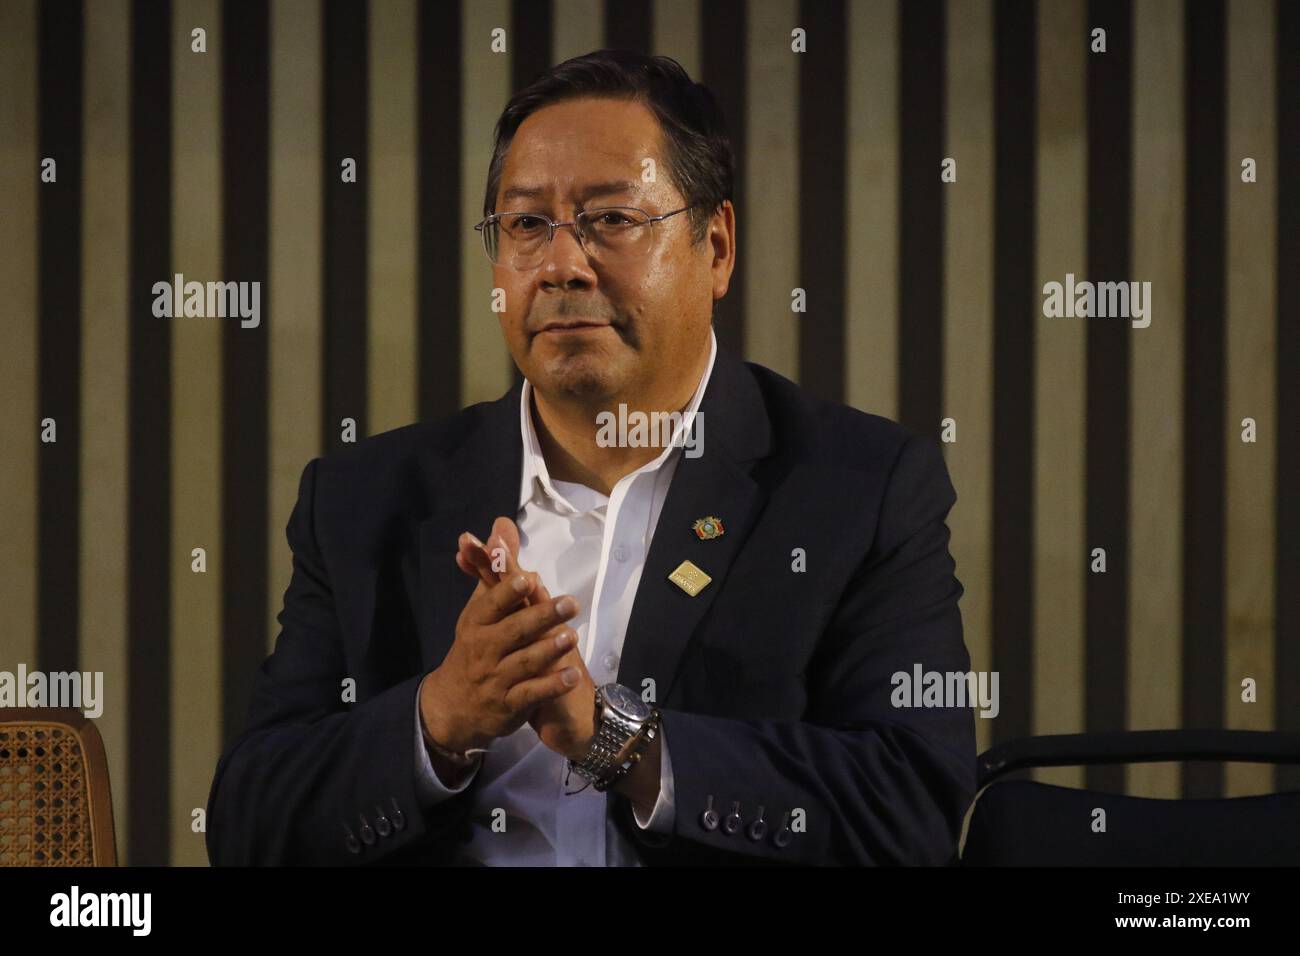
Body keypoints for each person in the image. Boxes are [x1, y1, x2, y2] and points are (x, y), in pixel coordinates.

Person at [206, 49, 975, 866]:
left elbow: (911, 814)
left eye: (612, 220)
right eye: (527, 225)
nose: (562, 266)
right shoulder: (365, 499)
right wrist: (440, 719)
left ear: (715, 248)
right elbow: (251, 826)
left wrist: (619, 741)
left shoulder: (857, 489)